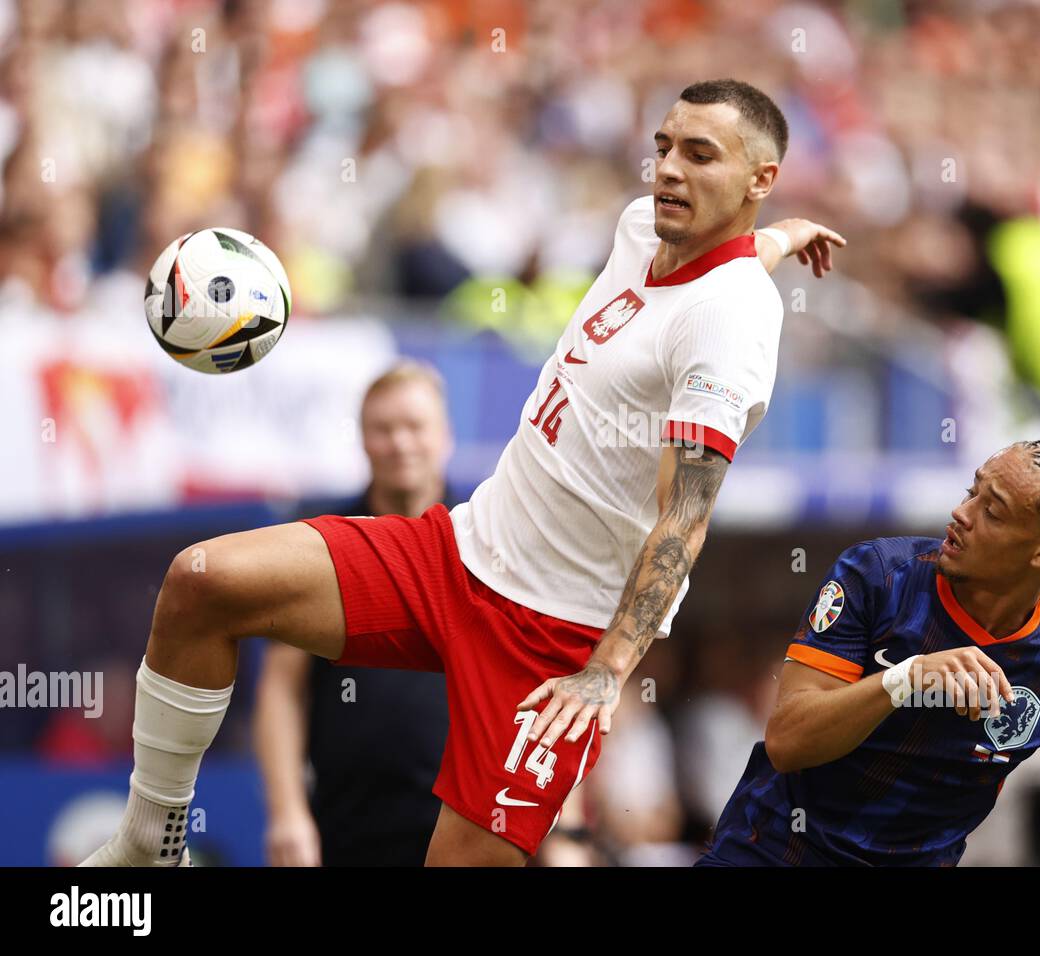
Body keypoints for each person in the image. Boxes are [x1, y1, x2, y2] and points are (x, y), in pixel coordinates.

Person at [81, 78, 847, 867]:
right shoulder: (639, 230)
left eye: (699, 154)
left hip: (551, 640)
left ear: (759, 178)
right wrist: (780, 235)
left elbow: (684, 517)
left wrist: (609, 673)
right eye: (662, 147)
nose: (668, 170)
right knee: (202, 580)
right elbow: (731, 251)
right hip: (458, 551)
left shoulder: (733, 320)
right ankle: (148, 847)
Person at [698, 440, 1040, 866]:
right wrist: (904, 679)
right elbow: (787, 742)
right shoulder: (878, 578)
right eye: (972, 491)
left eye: (992, 511)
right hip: (771, 853)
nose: (961, 513)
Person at [252, 362, 454, 867]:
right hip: (345, 834)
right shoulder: (322, 548)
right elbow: (280, 688)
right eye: (383, 429)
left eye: (414, 426)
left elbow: (536, 682)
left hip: (465, 834)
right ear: (363, 441)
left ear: (444, 436)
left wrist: (567, 826)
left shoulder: (484, 541)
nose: (400, 443)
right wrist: (286, 813)